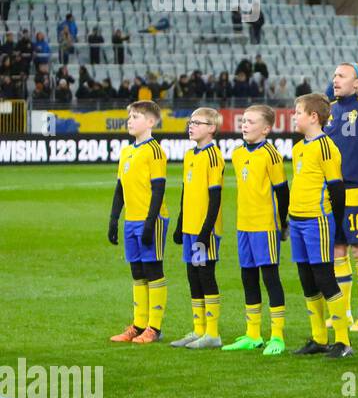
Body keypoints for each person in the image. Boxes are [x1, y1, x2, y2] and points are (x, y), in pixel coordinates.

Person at [288, 93, 354, 358]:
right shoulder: (298, 148)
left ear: (313, 117)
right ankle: (319, 338)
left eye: (298, 112)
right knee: (307, 280)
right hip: (297, 219)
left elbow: (338, 190)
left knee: (325, 277)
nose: (294, 116)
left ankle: (343, 340)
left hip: (317, 220)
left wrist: (337, 226)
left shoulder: (326, 147)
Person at [223, 104, 290, 354]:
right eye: (243, 120)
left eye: (251, 122)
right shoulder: (238, 153)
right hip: (244, 225)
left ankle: (277, 336)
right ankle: (253, 334)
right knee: (248, 277)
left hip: (265, 225)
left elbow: (282, 192)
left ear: (266, 129)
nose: (244, 125)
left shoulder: (271, 155)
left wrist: (281, 224)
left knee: (270, 277)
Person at [324, 63, 358, 336]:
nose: (335, 80)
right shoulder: (328, 111)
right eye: (334, 75)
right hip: (332, 192)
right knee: (337, 251)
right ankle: (343, 312)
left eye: (342, 76)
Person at [107, 101, 170, 344]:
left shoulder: (155, 150)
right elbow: (120, 188)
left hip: (150, 220)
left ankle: (154, 327)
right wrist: (114, 219)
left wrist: (150, 222)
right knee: (137, 272)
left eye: (136, 116)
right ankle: (138, 324)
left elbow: (159, 189)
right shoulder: (126, 151)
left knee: (153, 270)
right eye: (129, 116)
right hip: (131, 220)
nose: (130, 121)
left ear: (151, 122)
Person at [169, 108, 226, 349]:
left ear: (211, 128)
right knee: (193, 277)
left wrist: (206, 231)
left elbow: (215, 199)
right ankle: (198, 329)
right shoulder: (190, 154)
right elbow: (186, 191)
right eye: (190, 122)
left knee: (205, 275)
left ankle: (212, 333)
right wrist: (181, 223)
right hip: (190, 228)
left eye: (197, 123)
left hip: (206, 229)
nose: (190, 126)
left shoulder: (213, 156)